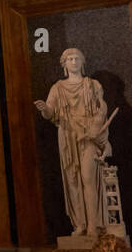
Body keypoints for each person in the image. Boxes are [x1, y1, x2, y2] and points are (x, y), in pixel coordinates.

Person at [35, 48, 111, 237]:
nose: (74, 61)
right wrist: (44, 109)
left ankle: (93, 224)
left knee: (88, 178)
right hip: (68, 136)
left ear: (82, 62)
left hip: (87, 136)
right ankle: (80, 224)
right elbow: (50, 113)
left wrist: (94, 128)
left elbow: (101, 109)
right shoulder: (58, 88)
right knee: (73, 182)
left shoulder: (93, 85)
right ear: (64, 63)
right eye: (70, 58)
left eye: (77, 58)